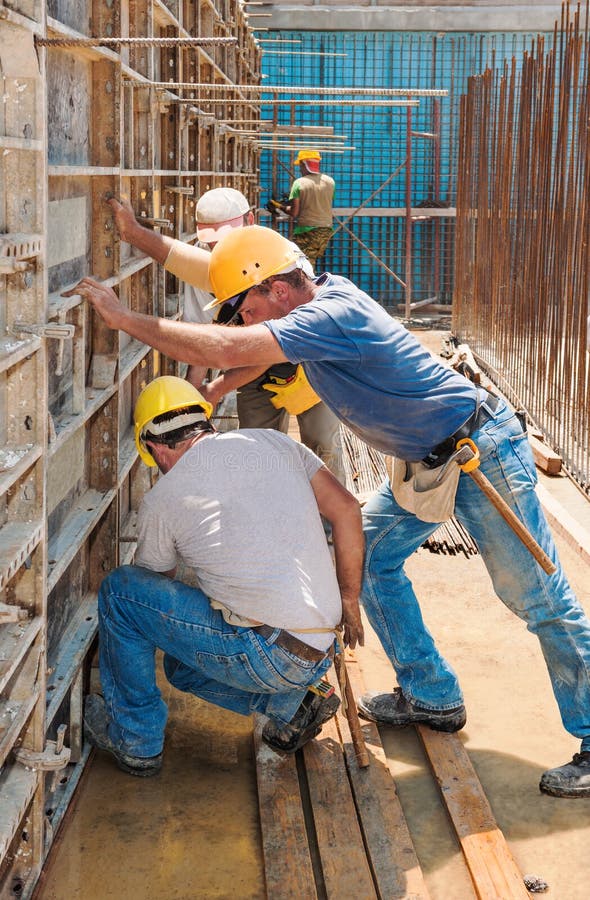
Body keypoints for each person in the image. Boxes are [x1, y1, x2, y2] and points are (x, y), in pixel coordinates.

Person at [68, 225, 590, 797]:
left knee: (539, 600)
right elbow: (248, 351)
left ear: (277, 290)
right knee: (366, 556)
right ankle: (431, 693)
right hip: (431, 460)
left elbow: (221, 347)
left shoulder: (330, 316)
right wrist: (213, 388)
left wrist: (123, 319)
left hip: (479, 454)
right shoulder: (318, 299)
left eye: (245, 308)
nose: (244, 320)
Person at [83, 375, 364, 776]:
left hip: (267, 654)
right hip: (321, 645)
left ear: (156, 447)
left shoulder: (164, 498)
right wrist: (349, 598)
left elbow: (152, 590)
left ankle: (135, 740)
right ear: (204, 422)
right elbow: (348, 511)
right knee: (181, 666)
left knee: (121, 594)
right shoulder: (273, 443)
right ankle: (295, 705)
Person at [108, 190, 345, 484]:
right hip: (250, 368)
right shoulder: (213, 262)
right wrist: (192, 401)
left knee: (322, 446)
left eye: (225, 241)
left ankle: (331, 525)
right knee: (257, 452)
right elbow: (202, 342)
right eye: (212, 244)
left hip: (305, 364)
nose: (220, 251)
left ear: (251, 220)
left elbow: (268, 348)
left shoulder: (279, 258)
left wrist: (216, 389)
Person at [284, 149, 335, 269]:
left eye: (300, 165)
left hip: (306, 231)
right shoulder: (330, 182)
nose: (300, 169)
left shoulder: (299, 183)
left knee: (302, 265)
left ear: (303, 164)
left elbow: (294, 212)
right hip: (326, 230)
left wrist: (280, 207)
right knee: (310, 262)